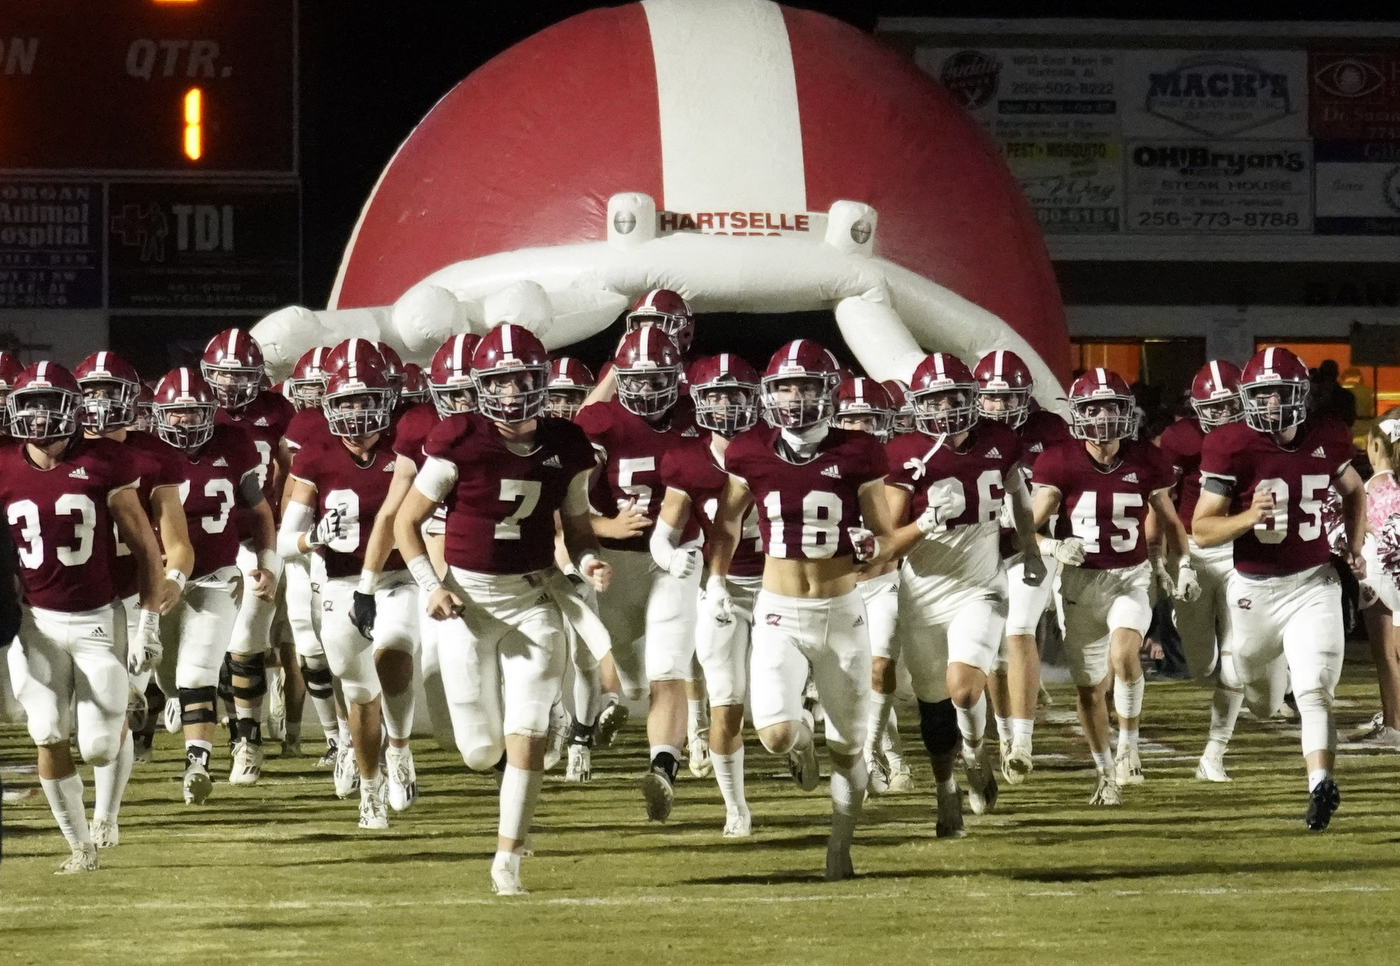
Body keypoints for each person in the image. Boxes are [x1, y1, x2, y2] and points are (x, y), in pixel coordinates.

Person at [393, 322, 610, 895]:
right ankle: (508, 789)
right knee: (478, 749)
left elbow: (580, 523)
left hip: (536, 599)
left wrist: (586, 562)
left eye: (522, 380)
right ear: (482, 384)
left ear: (541, 382)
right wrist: (428, 584)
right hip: (467, 604)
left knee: (528, 730)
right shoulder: (458, 438)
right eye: (501, 381)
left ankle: (507, 857)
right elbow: (405, 522)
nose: (512, 393)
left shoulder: (567, 444)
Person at [708, 339, 895, 880]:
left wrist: (870, 547)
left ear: (827, 391)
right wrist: (716, 581)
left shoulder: (859, 451)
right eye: (785, 385)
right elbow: (726, 521)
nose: (794, 396)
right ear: (769, 393)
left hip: (841, 611)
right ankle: (801, 739)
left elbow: (883, 536)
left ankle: (840, 844)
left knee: (849, 746)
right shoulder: (747, 450)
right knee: (775, 735)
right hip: (778, 610)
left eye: (806, 385)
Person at [0, 362, 169, 872]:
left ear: (75, 411)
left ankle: (108, 804)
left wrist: (148, 621)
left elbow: (146, 549)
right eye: (30, 402)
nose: (38, 414)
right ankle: (80, 847)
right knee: (47, 729)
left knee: (97, 747)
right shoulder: (4, 463)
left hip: (98, 621)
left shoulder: (105, 460)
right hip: (37, 623)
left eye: (51, 403)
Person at [1194, 347, 1365, 831]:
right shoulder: (1231, 445)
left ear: (1300, 395)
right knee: (1264, 701)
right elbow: (1202, 529)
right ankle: (1263, 690)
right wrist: (1249, 516)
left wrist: (1352, 546)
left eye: (1278, 392)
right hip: (1255, 590)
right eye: (1261, 393)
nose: (1270, 403)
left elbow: (1354, 488)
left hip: (1314, 582)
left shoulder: (1327, 435)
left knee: (1315, 691)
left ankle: (1320, 786)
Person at [881, 353, 1045, 835]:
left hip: (981, 587)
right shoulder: (907, 453)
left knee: (964, 685)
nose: (949, 406)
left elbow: (1017, 493)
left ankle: (976, 753)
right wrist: (926, 520)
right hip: (923, 592)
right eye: (937, 398)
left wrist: (1030, 548)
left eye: (957, 396)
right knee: (934, 711)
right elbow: (888, 541)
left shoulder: (1000, 440)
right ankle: (945, 786)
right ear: (920, 404)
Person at [1030, 368, 1196, 805]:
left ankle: (1129, 745)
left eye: (1111, 407)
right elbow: (1023, 530)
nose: (1103, 417)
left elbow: (1168, 517)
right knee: (1089, 688)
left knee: (1124, 654)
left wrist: (1181, 564)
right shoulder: (1058, 460)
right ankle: (1104, 771)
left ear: (1127, 412)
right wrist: (1051, 546)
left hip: (1130, 575)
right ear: (1079, 414)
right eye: (1094, 408)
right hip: (1081, 584)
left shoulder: (1147, 459)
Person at [280, 351, 419, 828]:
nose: (357, 413)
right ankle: (371, 785)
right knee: (358, 688)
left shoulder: (407, 447)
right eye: (348, 401)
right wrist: (311, 538)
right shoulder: (315, 454)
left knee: (395, 650)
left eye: (367, 401)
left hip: (398, 578)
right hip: (339, 580)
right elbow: (284, 540)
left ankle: (399, 748)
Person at [575, 326, 704, 820]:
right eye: (637, 380)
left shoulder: (696, 415)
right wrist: (605, 523)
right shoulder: (602, 421)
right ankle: (630, 702)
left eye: (658, 381)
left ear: (677, 378)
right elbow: (563, 503)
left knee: (669, 664)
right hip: (619, 556)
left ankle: (663, 768)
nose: (647, 391)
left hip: (676, 554)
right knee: (632, 677)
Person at [74, 351, 196, 842]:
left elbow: (179, 544)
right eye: (91, 393)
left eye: (111, 392)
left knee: (115, 708)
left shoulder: (153, 454)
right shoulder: (58, 448)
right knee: (69, 717)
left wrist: (171, 585)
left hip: (129, 596)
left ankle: (106, 812)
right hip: (69, 599)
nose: (101, 404)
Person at [148, 367, 278, 804]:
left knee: (196, 670)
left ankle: (197, 762)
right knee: (169, 677)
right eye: (177, 412)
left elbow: (259, 512)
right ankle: (178, 702)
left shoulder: (233, 444)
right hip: (160, 581)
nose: (185, 421)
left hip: (216, 577)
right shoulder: (142, 454)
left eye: (193, 411)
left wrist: (268, 564)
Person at [652, 353, 763, 834]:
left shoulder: (778, 445)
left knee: (781, 706)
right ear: (697, 402)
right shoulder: (686, 459)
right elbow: (663, 535)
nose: (723, 405)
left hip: (784, 584)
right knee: (726, 698)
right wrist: (671, 558)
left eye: (733, 394)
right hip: (723, 588)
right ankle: (735, 807)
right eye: (714, 395)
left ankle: (798, 741)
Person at [972, 349, 1070, 783]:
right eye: (990, 398)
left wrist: (1043, 533)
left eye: (1007, 397)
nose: (998, 406)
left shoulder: (1050, 430)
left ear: (1026, 396)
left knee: (1020, 628)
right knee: (992, 646)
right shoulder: (965, 430)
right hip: (982, 547)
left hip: (1037, 543)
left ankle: (1024, 740)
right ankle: (1006, 733)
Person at [201, 329, 294, 783]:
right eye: (221, 374)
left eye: (240, 375)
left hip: (258, 535)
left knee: (246, 641)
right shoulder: (196, 411)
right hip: (212, 541)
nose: (230, 384)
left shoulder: (276, 411)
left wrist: (285, 521)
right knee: (216, 645)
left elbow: (292, 468)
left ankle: (248, 739)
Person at [1155, 361, 1251, 781]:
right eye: (1212, 406)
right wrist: (1155, 554)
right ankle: (1188, 627)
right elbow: (1160, 498)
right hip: (1192, 550)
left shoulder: (1258, 434)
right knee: (1201, 661)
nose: (1221, 414)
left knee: (1234, 661)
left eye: (1229, 404)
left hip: (1242, 549)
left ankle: (1214, 754)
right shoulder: (1180, 439)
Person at [1355, 409, 1400, 750]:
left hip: (1381, 580)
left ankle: (1394, 724)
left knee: (1386, 656)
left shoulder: (1372, 487)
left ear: (1374, 445)